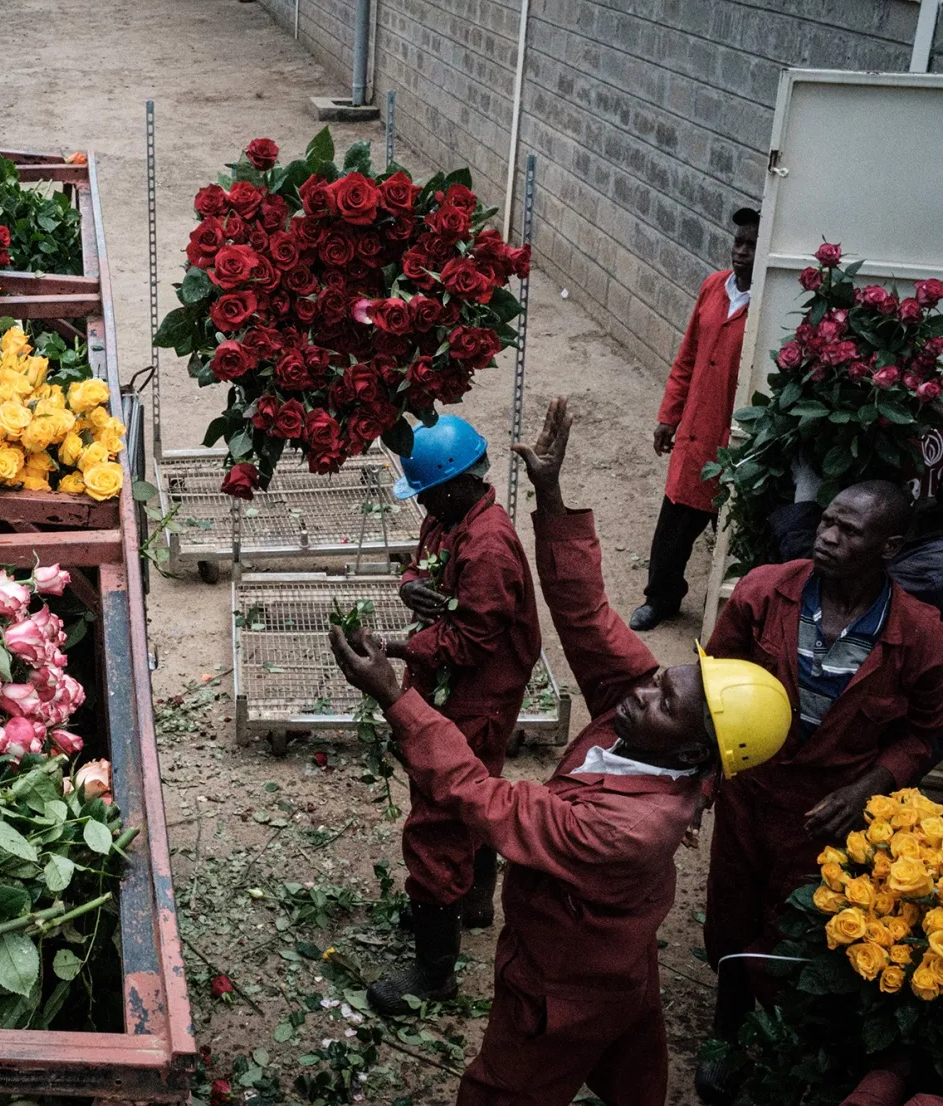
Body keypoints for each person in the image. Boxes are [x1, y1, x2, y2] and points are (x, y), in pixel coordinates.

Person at [331, 397, 791, 1106]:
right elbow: (584, 615)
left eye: (665, 698)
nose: (642, 690)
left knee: (505, 1089)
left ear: (702, 750)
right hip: (619, 965)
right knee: (634, 1072)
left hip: (564, 982)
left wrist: (394, 695)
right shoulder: (647, 719)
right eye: (663, 678)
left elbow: (486, 801)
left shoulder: (628, 827)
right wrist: (550, 493)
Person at [695, 480, 943, 1104]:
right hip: (751, 793)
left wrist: (869, 787)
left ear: (889, 546)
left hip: (828, 817)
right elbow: (712, 688)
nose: (827, 536)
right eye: (827, 521)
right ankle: (726, 1037)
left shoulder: (919, 634)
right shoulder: (764, 591)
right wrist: (704, 775)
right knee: (731, 914)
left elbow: (925, 733)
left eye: (849, 531)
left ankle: (783, 1044)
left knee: (802, 928)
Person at [366, 413, 541, 1014]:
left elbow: (469, 642)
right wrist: (410, 585)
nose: (423, 506)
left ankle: (434, 972)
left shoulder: (489, 547)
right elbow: (425, 567)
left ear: (458, 482)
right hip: (458, 687)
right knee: (479, 791)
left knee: (440, 814)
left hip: (478, 696)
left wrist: (391, 652)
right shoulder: (450, 518)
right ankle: (471, 901)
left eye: (427, 493)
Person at [630, 207, 761, 631]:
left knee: (735, 532)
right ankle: (662, 598)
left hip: (738, 438)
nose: (741, 252)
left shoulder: (767, 306)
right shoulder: (713, 286)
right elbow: (687, 356)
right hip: (695, 434)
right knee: (674, 525)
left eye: (752, 246)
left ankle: (731, 620)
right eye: (738, 242)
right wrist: (668, 416)